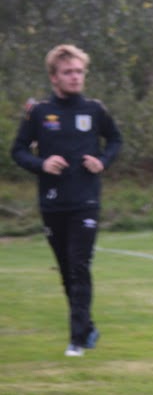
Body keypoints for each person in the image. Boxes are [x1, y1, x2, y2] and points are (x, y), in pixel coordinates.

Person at [10, 44, 123, 357]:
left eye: (79, 72)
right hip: (52, 202)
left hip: (86, 200)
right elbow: (17, 151)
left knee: (79, 267)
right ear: (54, 78)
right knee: (65, 271)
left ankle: (76, 340)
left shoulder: (95, 110)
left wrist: (102, 161)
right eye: (68, 72)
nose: (75, 77)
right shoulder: (39, 112)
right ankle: (86, 328)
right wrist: (41, 164)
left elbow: (115, 140)